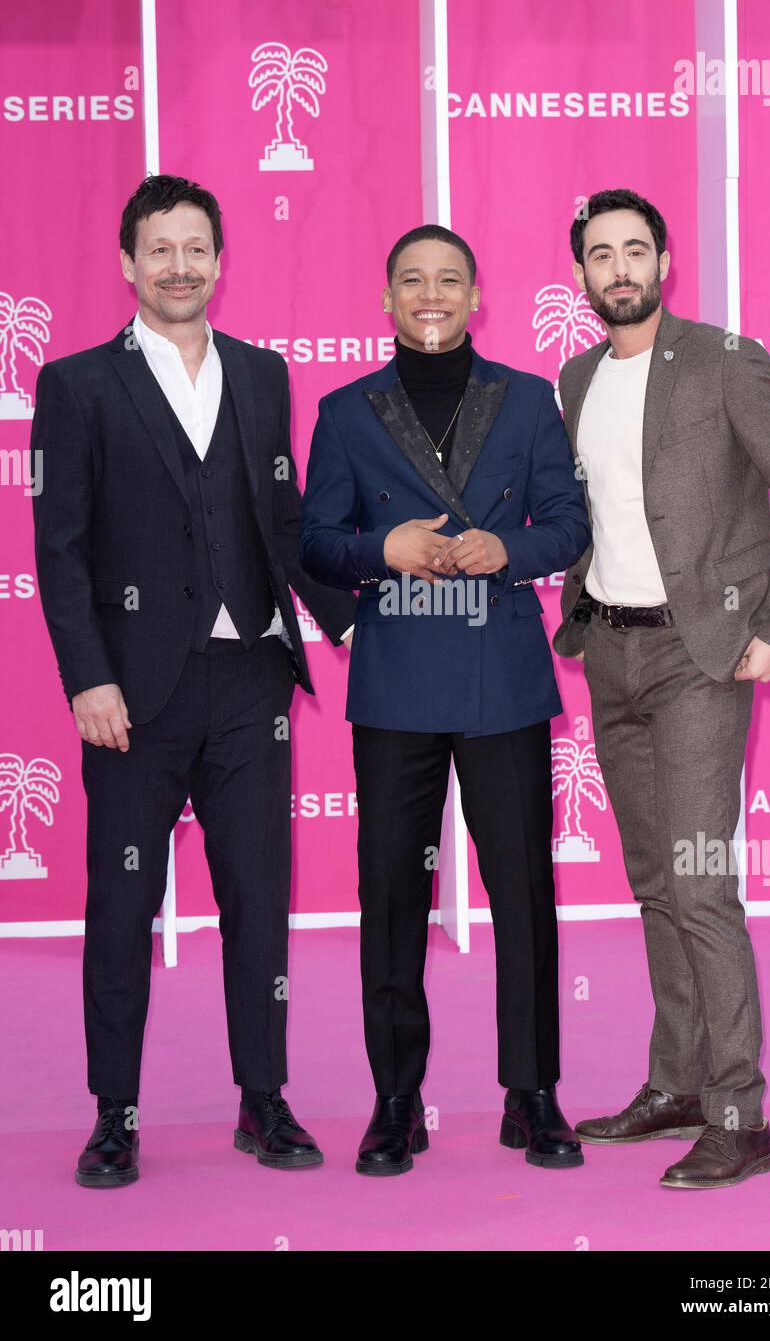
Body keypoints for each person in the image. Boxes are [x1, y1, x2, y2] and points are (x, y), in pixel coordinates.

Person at [30, 174, 356, 1187]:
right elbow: (61, 548)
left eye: (196, 248)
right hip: (132, 695)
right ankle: (113, 1116)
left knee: (258, 903)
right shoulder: (78, 384)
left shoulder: (262, 376)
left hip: (250, 683)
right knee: (121, 910)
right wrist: (88, 679)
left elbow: (281, 519)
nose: (179, 265)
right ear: (128, 263)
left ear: (219, 261)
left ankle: (262, 1103)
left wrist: (357, 614)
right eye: (159, 249)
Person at [553, 188, 770, 1188]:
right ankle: (674, 1081)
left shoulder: (722, 359)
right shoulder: (574, 377)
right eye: (600, 254)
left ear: (663, 264)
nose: (619, 267)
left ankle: (736, 1114)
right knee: (650, 884)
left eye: (635, 250)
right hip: (613, 658)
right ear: (580, 274)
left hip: (700, 660)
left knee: (700, 883)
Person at [299, 224, 591, 1175]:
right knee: (389, 895)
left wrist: (512, 549)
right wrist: (380, 552)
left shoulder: (527, 401)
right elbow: (315, 542)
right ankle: (396, 1101)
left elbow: (569, 523)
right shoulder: (346, 412)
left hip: (502, 679)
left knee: (524, 892)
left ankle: (533, 1093)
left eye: (450, 280)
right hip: (395, 683)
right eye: (413, 281)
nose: (432, 294)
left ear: (476, 296)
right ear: (387, 299)